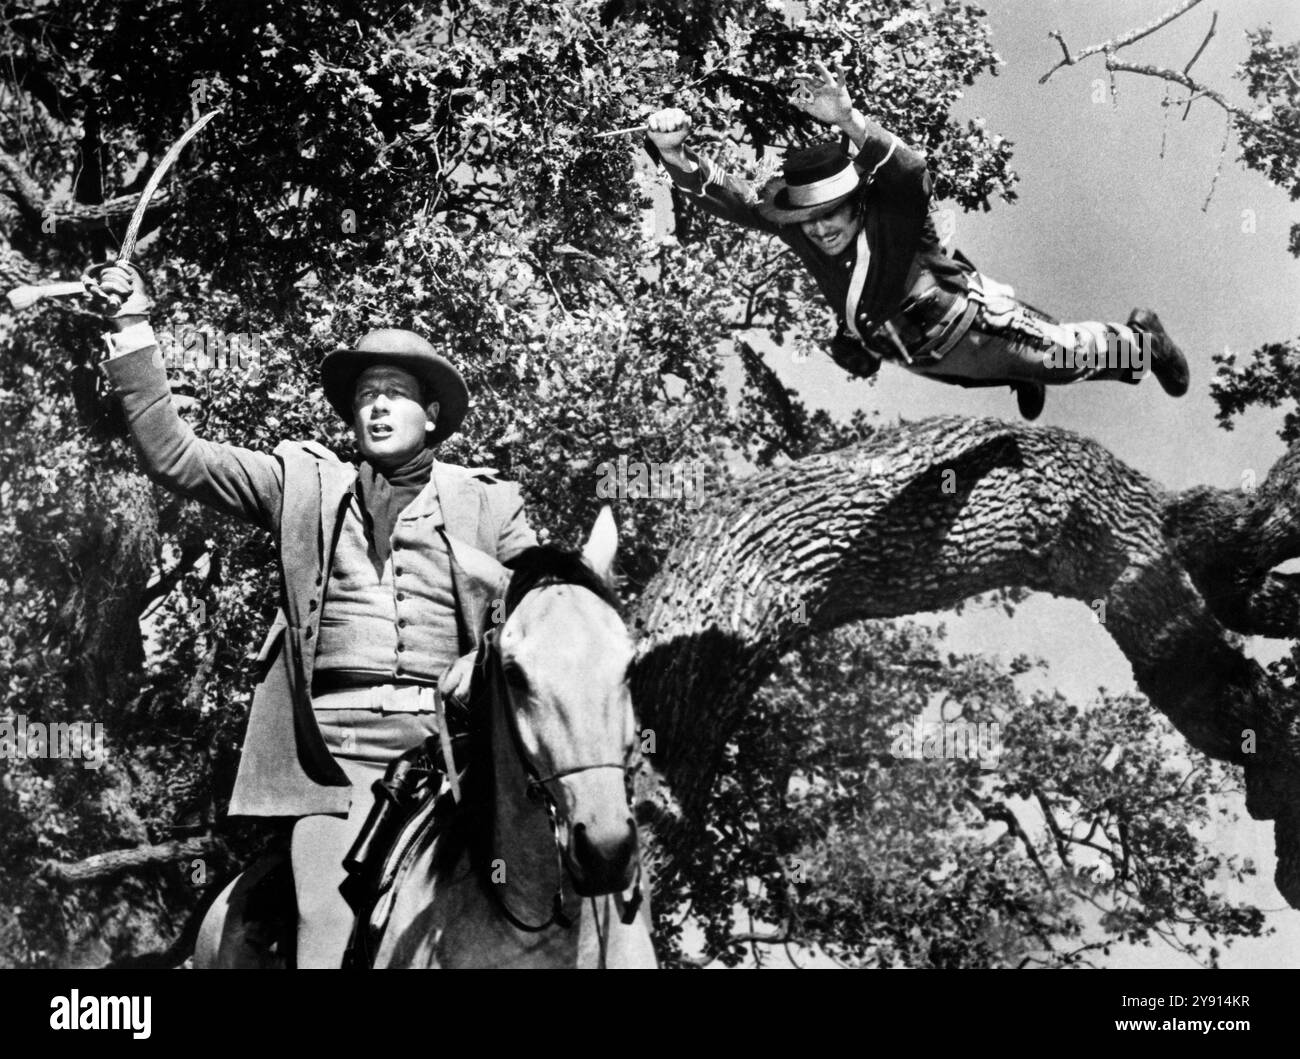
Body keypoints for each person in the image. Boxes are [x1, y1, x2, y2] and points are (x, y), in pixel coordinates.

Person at [87, 263, 537, 967]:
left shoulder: (490, 503)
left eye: (396, 394)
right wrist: (131, 325)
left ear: (434, 415)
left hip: (451, 750)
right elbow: (175, 454)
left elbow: (541, 606)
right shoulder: (301, 482)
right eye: (366, 395)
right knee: (325, 909)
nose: (379, 407)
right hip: (330, 758)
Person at [644, 62, 1189, 420]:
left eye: (833, 213)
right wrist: (671, 153)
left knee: (1062, 358)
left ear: (859, 202)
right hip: (919, 353)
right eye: (809, 219)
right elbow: (734, 198)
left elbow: (909, 170)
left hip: (968, 322)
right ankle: (1018, 374)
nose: (820, 228)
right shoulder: (799, 229)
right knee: (975, 381)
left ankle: (1143, 340)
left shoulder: (897, 212)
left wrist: (850, 120)